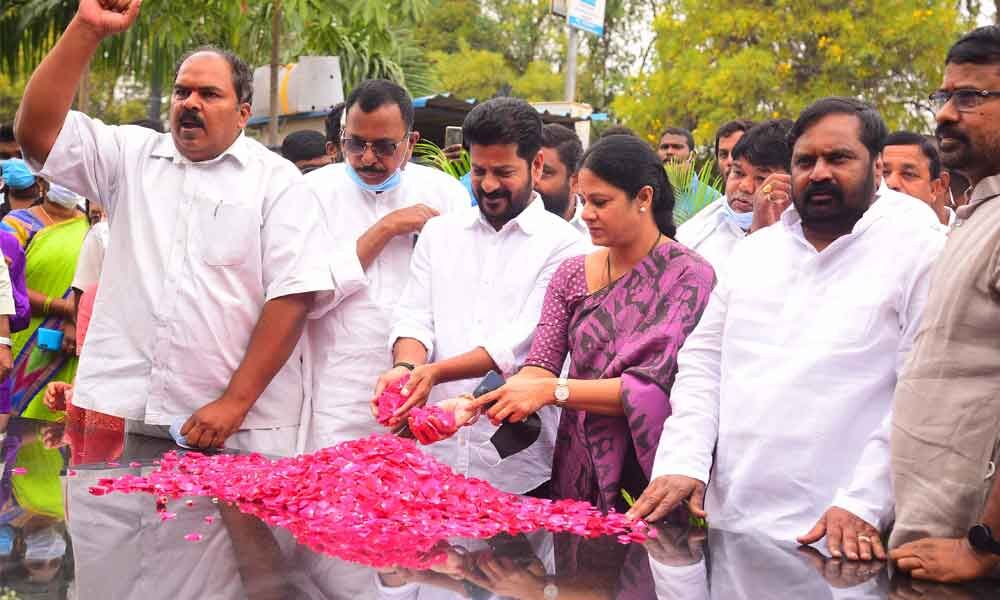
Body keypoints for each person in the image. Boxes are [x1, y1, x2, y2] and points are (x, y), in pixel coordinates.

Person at [626, 98, 946, 563]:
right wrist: (683, 461)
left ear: (875, 165)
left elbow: (920, 393)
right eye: (805, 161)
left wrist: (864, 502)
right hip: (734, 527)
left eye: (838, 158)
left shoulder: (920, 252)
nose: (819, 173)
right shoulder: (756, 254)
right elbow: (703, 365)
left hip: (845, 539)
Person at [14, 0, 336, 456]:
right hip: (124, 412)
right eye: (182, 92)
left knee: (236, 529)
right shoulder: (129, 157)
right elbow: (37, 137)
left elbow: (294, 295)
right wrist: (86, 28)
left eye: (209, 94)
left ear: (243, 113)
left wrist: (233, 403)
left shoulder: (275, 180)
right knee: (108, 526)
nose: (191, 103)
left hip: (236, 427)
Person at [469, 134, 715, 511]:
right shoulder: (572, 273)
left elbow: (652, 388)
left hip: (651, 472)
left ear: (644, 199)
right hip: (576, 463)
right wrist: (479, 399)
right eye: (583, 201)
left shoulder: (689, 276)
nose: (585, 214)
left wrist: (554, 392)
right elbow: (540, 366)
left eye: (600, 202)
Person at [375, 98, 589, 495]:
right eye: (479, 171)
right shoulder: (441, 235)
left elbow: (525, 344)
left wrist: (434, 373)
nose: (489, 185)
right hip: (432, 458)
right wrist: (406, 369)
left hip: (518, 467)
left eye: (504, 172)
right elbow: (414, 317)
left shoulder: (567, 248)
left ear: (536, 166)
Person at [301, 79, 468, 451]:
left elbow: (459, 297)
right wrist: (386, 229)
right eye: (356, 144)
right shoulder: (311, 193)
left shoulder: (446, 195)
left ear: (410, 143)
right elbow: (305, 298)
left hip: (422, 393)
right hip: (338, 394)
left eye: (384, 147)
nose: (367, 157)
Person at [889, 25, 1000, 583]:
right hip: (929, 539)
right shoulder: (976, 215)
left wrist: (986, 546)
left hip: (973, 559)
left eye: (972, 97)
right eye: (944, 97)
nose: (947, 114)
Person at [1, 183, 88, 421]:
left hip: (74, 342)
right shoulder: (16, 225)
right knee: (16, 423)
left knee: (56, 420)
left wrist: (76, 319)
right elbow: (5, 285)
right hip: (23, 335)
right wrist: (66, 309)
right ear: (42, 183)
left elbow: (94, 280)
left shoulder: (91, 225)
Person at [676, 119, 792, 269]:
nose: (744, 186)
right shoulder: (698, 230)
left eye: (762, 179)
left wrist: (760, 235)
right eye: (738, 173)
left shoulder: (806, 244)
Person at [881, 131, 952, 226]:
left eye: (908, 174)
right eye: (884, 172)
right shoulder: (860, 236)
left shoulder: (964, 236)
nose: (891, 183)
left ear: (935, 188)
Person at [536, 123, 585, 233]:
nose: (532, 180)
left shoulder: (596, 235)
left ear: (575, 182)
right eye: (529, 170)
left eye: (545, 172)